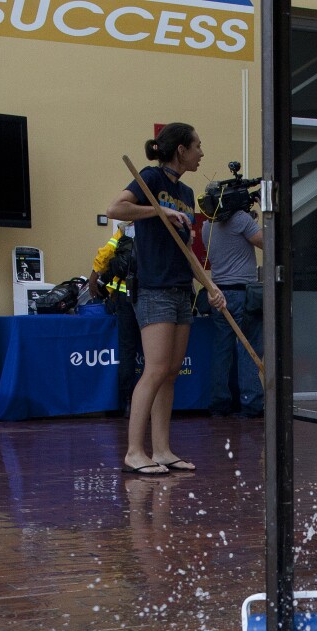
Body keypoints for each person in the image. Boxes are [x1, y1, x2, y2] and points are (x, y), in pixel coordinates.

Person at [106, 123, 226, 475]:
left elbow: (187, 250)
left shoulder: (187, 193)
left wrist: (210, 285)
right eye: (198, 146)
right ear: (181, 151)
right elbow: (116, 209)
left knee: (171, 372)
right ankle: (133, 451)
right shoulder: (150, 179)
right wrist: (158, 211)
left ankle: (161, 450)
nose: (202, 152)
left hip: (180, 289)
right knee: (155, 369)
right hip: (154, 288)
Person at [197, 180, 264, 417]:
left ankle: (220, 404)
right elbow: (268, 242)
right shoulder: (241, 221)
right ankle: (252, 403)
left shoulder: (208, 226)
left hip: (218, 294)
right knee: (249, 347)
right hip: (242, 294)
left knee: (222, 350)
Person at [90, 221, 141, 412]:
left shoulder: (125, 230)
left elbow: (105, 253)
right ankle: (150, 404)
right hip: (150, 297)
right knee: (153, 355)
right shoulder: (155, 227)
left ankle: (127, 402)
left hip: (124, 297)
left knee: (127, 349)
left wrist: (94, 274)